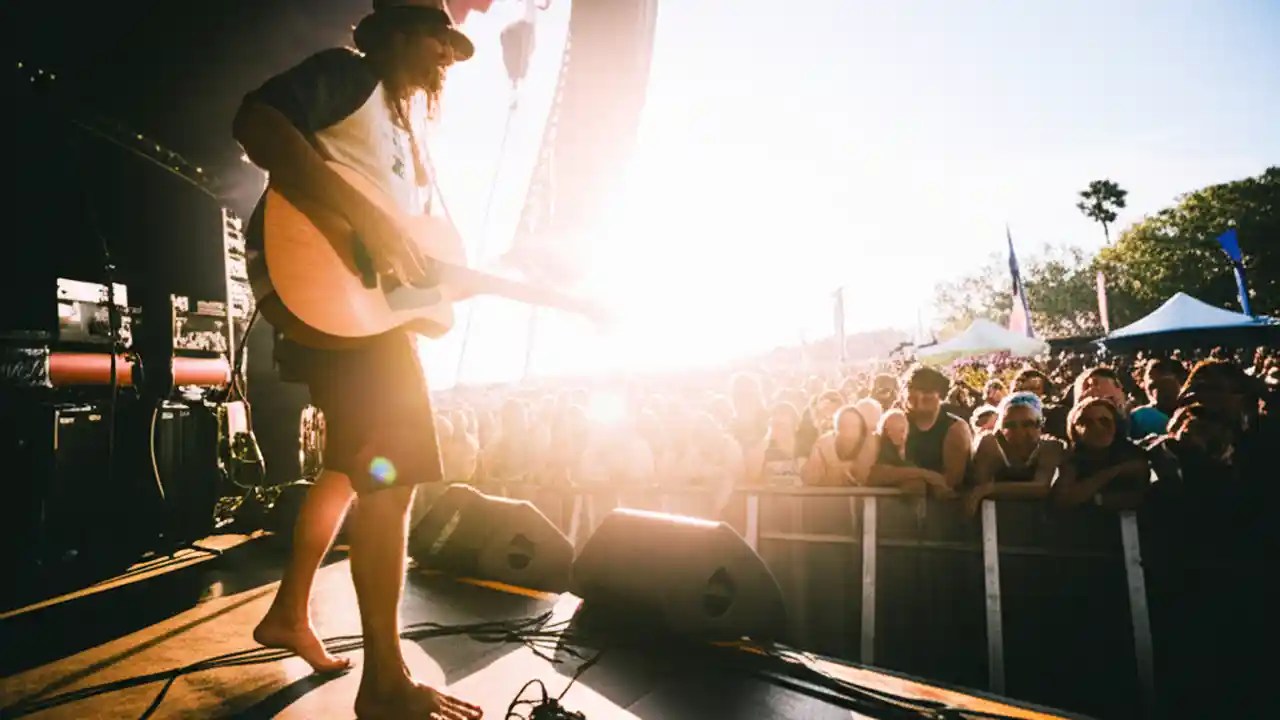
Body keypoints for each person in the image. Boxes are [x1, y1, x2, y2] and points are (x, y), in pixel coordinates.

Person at [233, 2, 483, 717]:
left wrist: (426, 293)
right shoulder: (349, 76)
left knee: (352, 467)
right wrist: (368, 220)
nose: (446, 56)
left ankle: (289, 611)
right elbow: (255, 123)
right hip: (329, 305)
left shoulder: (406, 132)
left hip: (356, 312)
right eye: (439, 40)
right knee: (396, 470)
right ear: (398, 34)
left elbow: (393, 245)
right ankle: (384, 684)